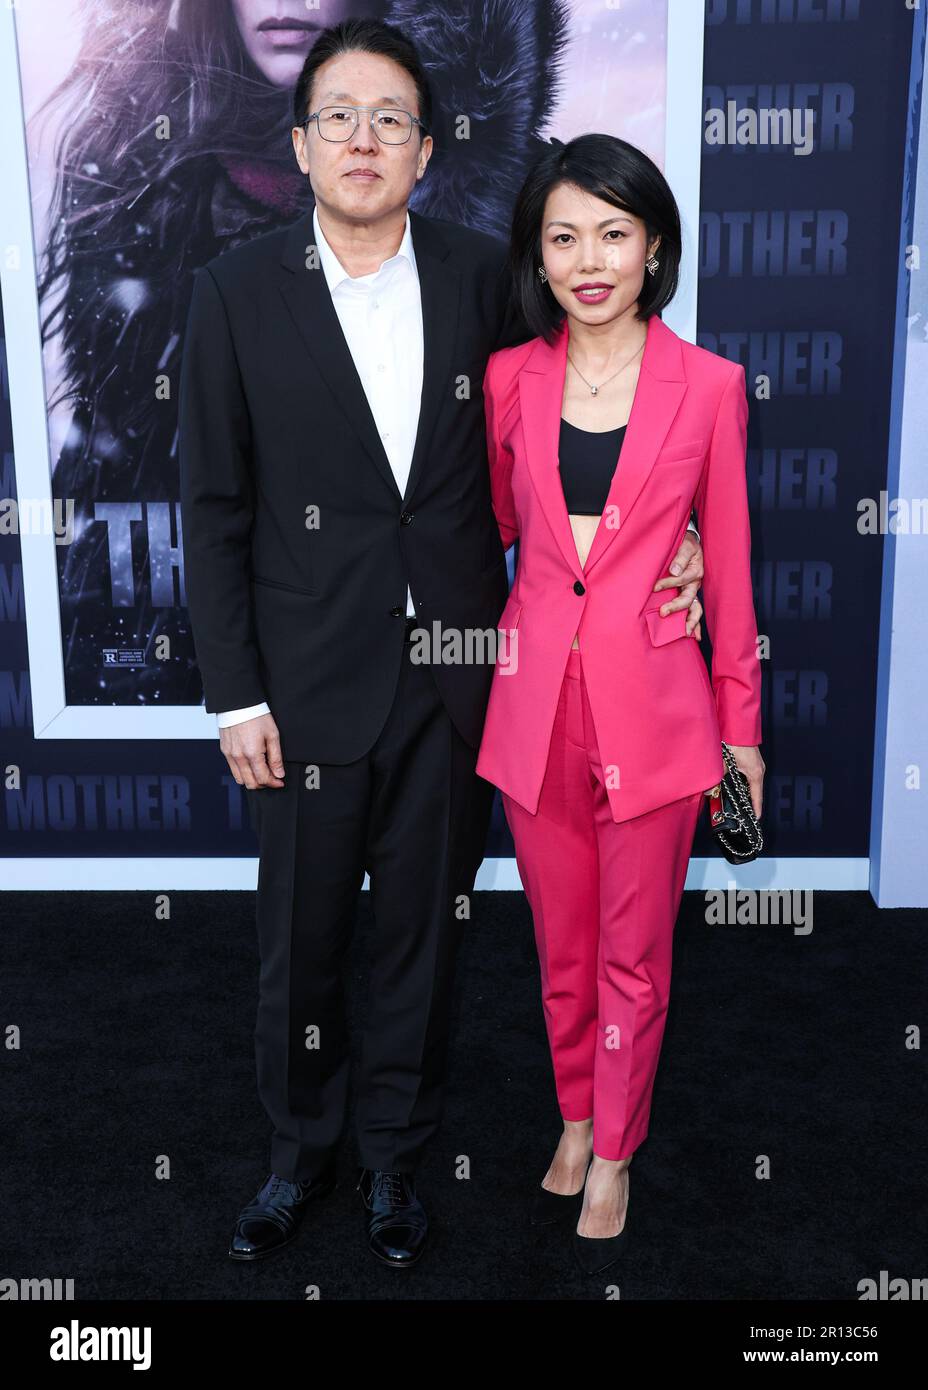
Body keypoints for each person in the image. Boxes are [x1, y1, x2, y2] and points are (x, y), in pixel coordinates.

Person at [179, 21, 705, 1269]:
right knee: (300, 945)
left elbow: (600, 389)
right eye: (340, 117)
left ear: (425, 149)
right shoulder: (234, 292)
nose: (365, 139)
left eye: (392, 120)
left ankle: (395, 1165)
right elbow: (212, 509)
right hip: (301, 689)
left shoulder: (485, 275)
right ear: (301, 143)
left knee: (426, 938)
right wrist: (232, 693)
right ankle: (296, 1158)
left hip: (461, 677)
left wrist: (664, 543)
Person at [475, 134, 766, 1275]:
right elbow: (501, 530)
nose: (587, 258)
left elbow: (732, 570)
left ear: (653, 249)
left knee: (633, 954)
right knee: (558, 944)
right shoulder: (509, 379)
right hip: (533, 701)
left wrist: (739, 733)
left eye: (612, 233)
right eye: (563, 236)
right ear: (537, 255)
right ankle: (576, 1111)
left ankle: (616, 1150)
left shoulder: (709, 385)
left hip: (657, 711)